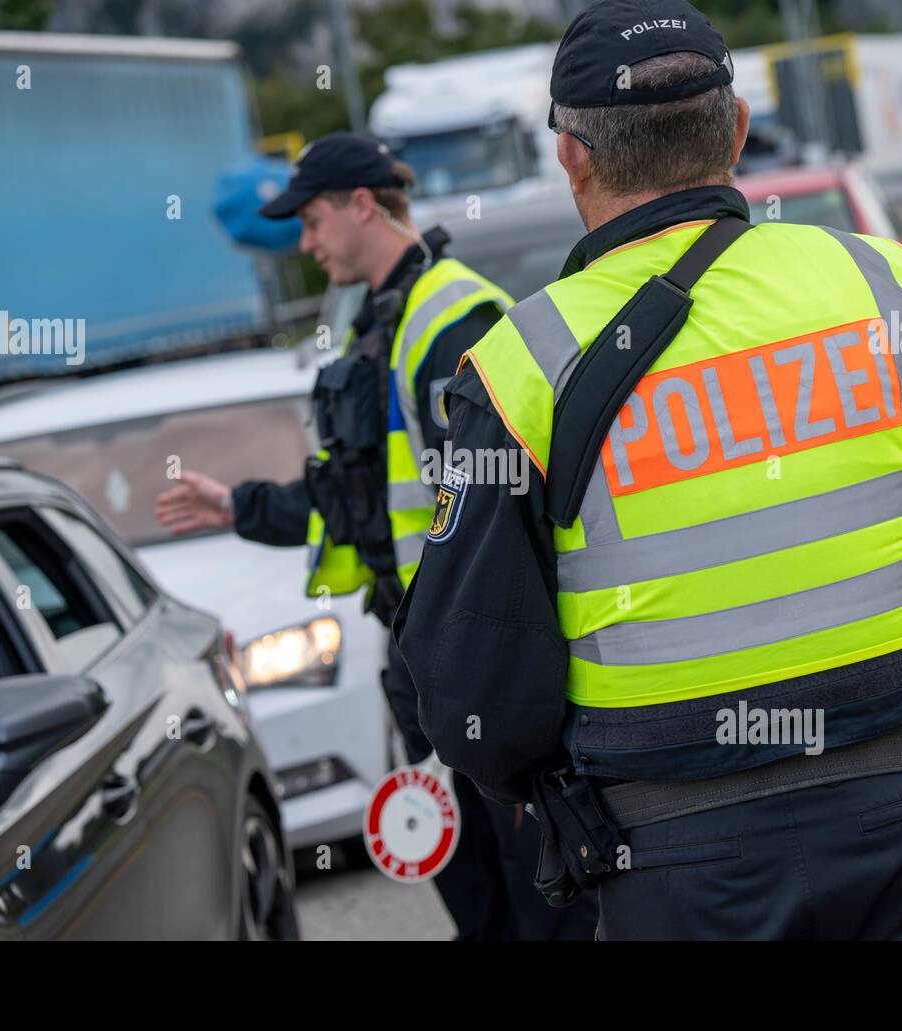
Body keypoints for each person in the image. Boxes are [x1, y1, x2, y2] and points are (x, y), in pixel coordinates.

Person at [395, 0, 902, 940]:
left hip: (674, 855)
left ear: (570, 154)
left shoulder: (517, 367)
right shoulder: (896, 285)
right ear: (736, 129)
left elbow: (470, 682)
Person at [154, 132, 598, 941]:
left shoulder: (453, 315)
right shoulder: (381, 320)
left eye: (314, 220)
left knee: (539, 895)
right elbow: (364, 499)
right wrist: (240, 507)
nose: (307, 241)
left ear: (364, 205)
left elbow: (500, 501)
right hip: (427, 655)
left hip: (479, 652)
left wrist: (479, 654)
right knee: (472, 883)